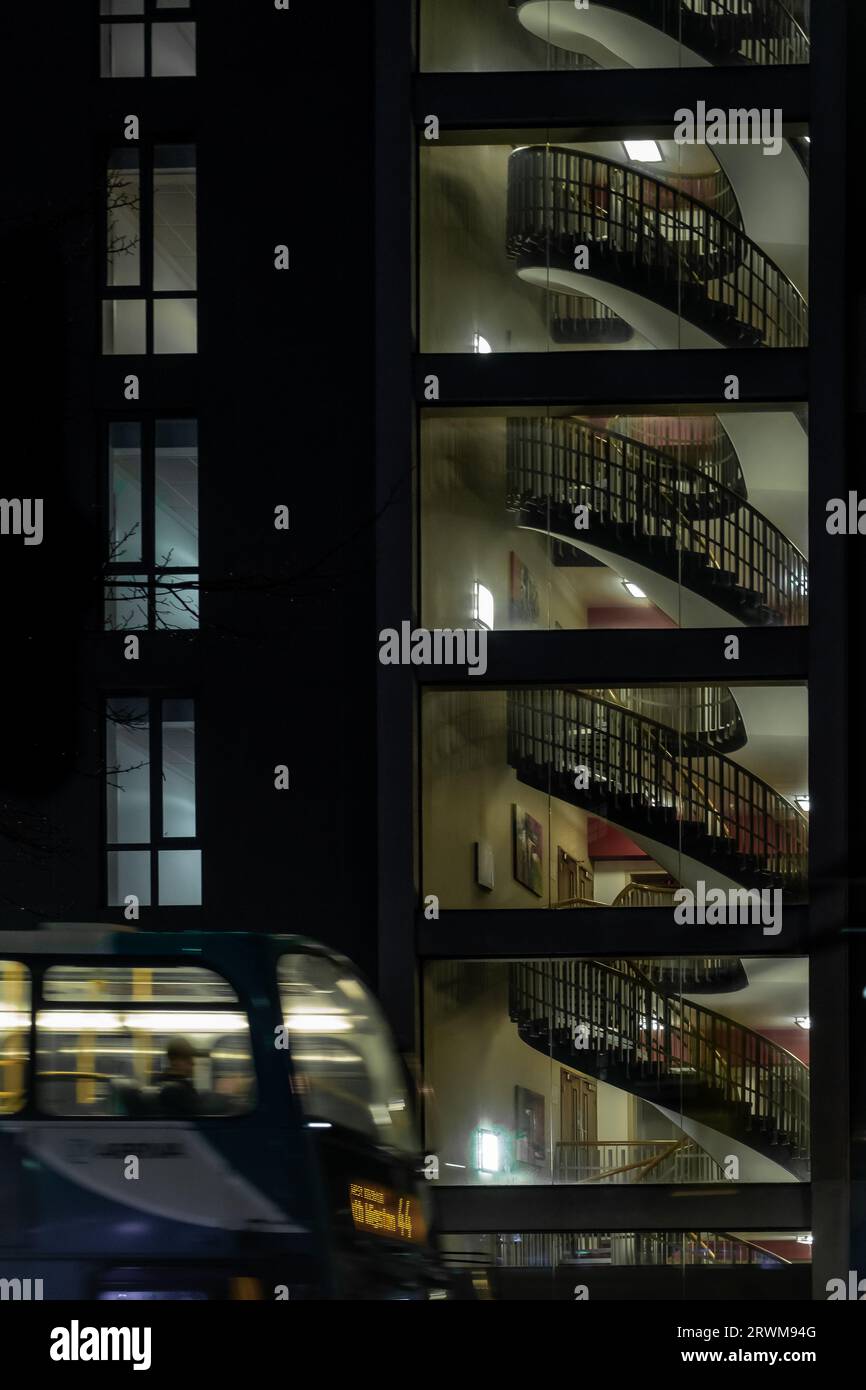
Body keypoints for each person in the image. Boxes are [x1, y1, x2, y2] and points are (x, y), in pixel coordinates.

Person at [158, 1036, 200, 1118]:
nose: (193, 1064)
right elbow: (198, 1114)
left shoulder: (160, 1082)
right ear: (176, 1062)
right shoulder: (178, 1090)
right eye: (189, 1059)